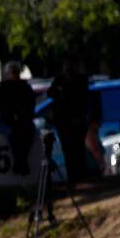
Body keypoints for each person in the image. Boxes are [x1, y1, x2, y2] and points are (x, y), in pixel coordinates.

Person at [48, 57, 91, 186]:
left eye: (70, 65)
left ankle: (81, 176)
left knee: (78, 149)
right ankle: (73, 177)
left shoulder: (81, 80)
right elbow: (51, 93)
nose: (68, 69)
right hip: (63, 122)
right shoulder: (59, 81)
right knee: (68, 150)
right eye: (66, 66)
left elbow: (84, 99)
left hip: (78, 120)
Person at [0, 62, 36, 177]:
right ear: (7, 74)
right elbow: (0, 106)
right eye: (12, 73)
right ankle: (20, 163)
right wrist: (11, 115)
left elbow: (31, 104)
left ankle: (20, 162)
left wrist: (22, 115)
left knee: (30, 134)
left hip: (24, 121)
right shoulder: (3, 88)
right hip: (8, 121)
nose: (14, 75)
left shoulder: (25, 87)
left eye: (16, 72)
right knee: (13, 135)